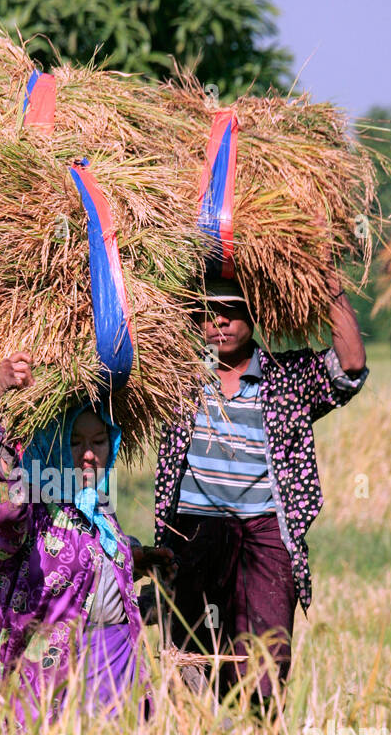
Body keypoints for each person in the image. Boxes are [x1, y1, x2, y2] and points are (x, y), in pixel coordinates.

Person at [154, 269, 368, 705]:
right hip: (193, 532)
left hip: (265, 534)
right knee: (192, 658)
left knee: (266, 660)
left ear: (254, 316)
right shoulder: (174, 378)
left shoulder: (287, 378)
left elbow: (351, 365)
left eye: (233, 311)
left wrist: (327, 281)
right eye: (210, 312)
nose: (222, 323)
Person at [0, 353, 171, 725]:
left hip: (115, 670)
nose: (87, 455)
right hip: (51, 682)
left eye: (99, 441)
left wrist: (135, 558)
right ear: (52, 443)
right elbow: (3, 510)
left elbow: (89, 558)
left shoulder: (99, 510)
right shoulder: (32, 505)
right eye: (75, 441)